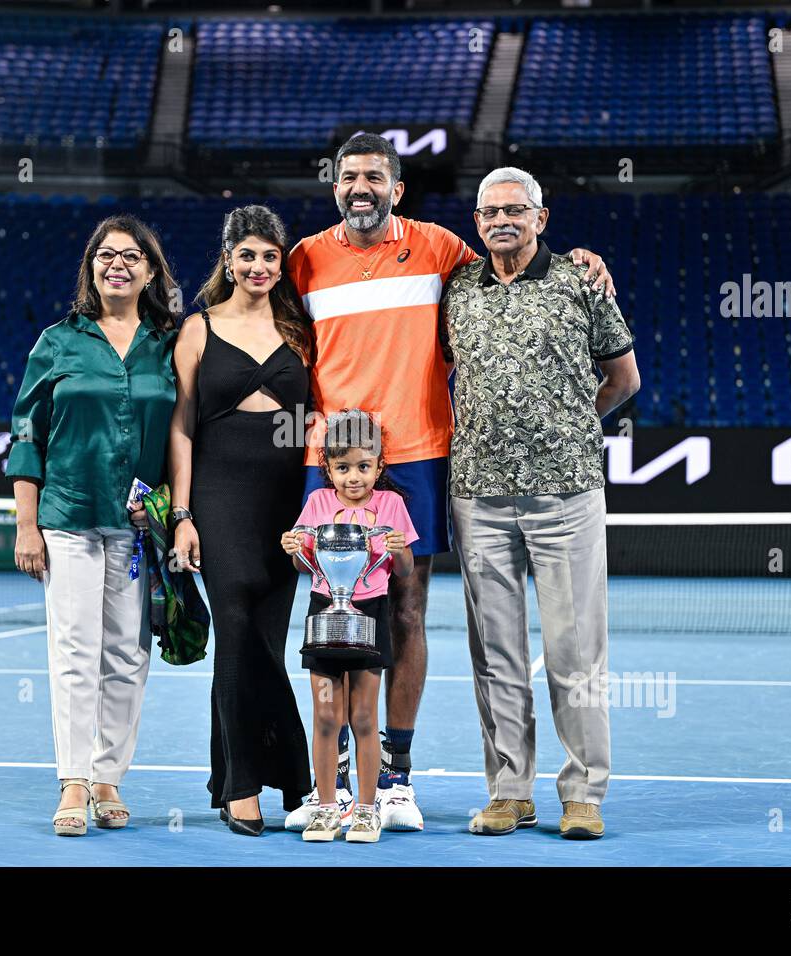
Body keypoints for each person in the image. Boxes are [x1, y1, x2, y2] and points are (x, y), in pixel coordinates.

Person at [283, 133, 617, 832]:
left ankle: (396, 776)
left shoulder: (439, 249)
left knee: (407, 610)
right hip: (334, 458)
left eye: (376, 175)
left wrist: (588, 260)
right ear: (335, 186)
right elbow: (261, 321)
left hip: (420, 454)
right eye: (350, 177)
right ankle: (339, 779)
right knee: (337, 614)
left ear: (397, 189)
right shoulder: (304, 259)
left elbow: (520, 261)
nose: (362, 187)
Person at [442, 167, 639, 839]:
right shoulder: (458, 289)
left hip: (567, 495)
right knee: (494, 652)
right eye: (490, 211)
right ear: (477, 221)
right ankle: (508, 789)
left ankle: (584, 792)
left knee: (574, 650)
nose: (502, 220)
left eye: (515, 210)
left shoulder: (581, 282)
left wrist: (573, 425)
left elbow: (623, 376)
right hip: (478, 497)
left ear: (541, 218)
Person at [7, 215, 180, 836]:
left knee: (129, 655)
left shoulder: (171, 342)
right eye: (106, 255)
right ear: (91, 267)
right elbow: (26, 434)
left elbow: (182, 436)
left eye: (133, 256)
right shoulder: (58, 341)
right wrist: (26, 525)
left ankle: (110, 775)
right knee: (75, 651)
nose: (119, 264)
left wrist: (170, 513)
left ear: (151, 270)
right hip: (70, 516)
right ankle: (74, 780)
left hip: (138, 526)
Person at [169, 205, 315, 836]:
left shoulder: (300, 330)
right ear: (228, 259)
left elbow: (317, 420)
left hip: (286, 503)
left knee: (267, 645)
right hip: (218, 497)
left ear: (281, 264)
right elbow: (180, 428)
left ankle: (239, 775)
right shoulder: (197, 329)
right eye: (247, 255)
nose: (259, 266)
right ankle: (259, 783)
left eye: (270, 256)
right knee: (234, 631)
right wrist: (182, 515)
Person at [282, 410, 417, 843]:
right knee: (325, 716)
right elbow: (303, 561)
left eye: (363, 466)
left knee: (362, 716)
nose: (353, 478)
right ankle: (325, 808)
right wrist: (291, 547)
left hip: (370, 616)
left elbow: (405, 572)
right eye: (342, 468)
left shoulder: (392, 506)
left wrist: (400, 550)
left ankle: (365, 810)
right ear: (328, 469)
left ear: (379, 465)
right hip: (324, 611)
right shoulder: (318, 504)